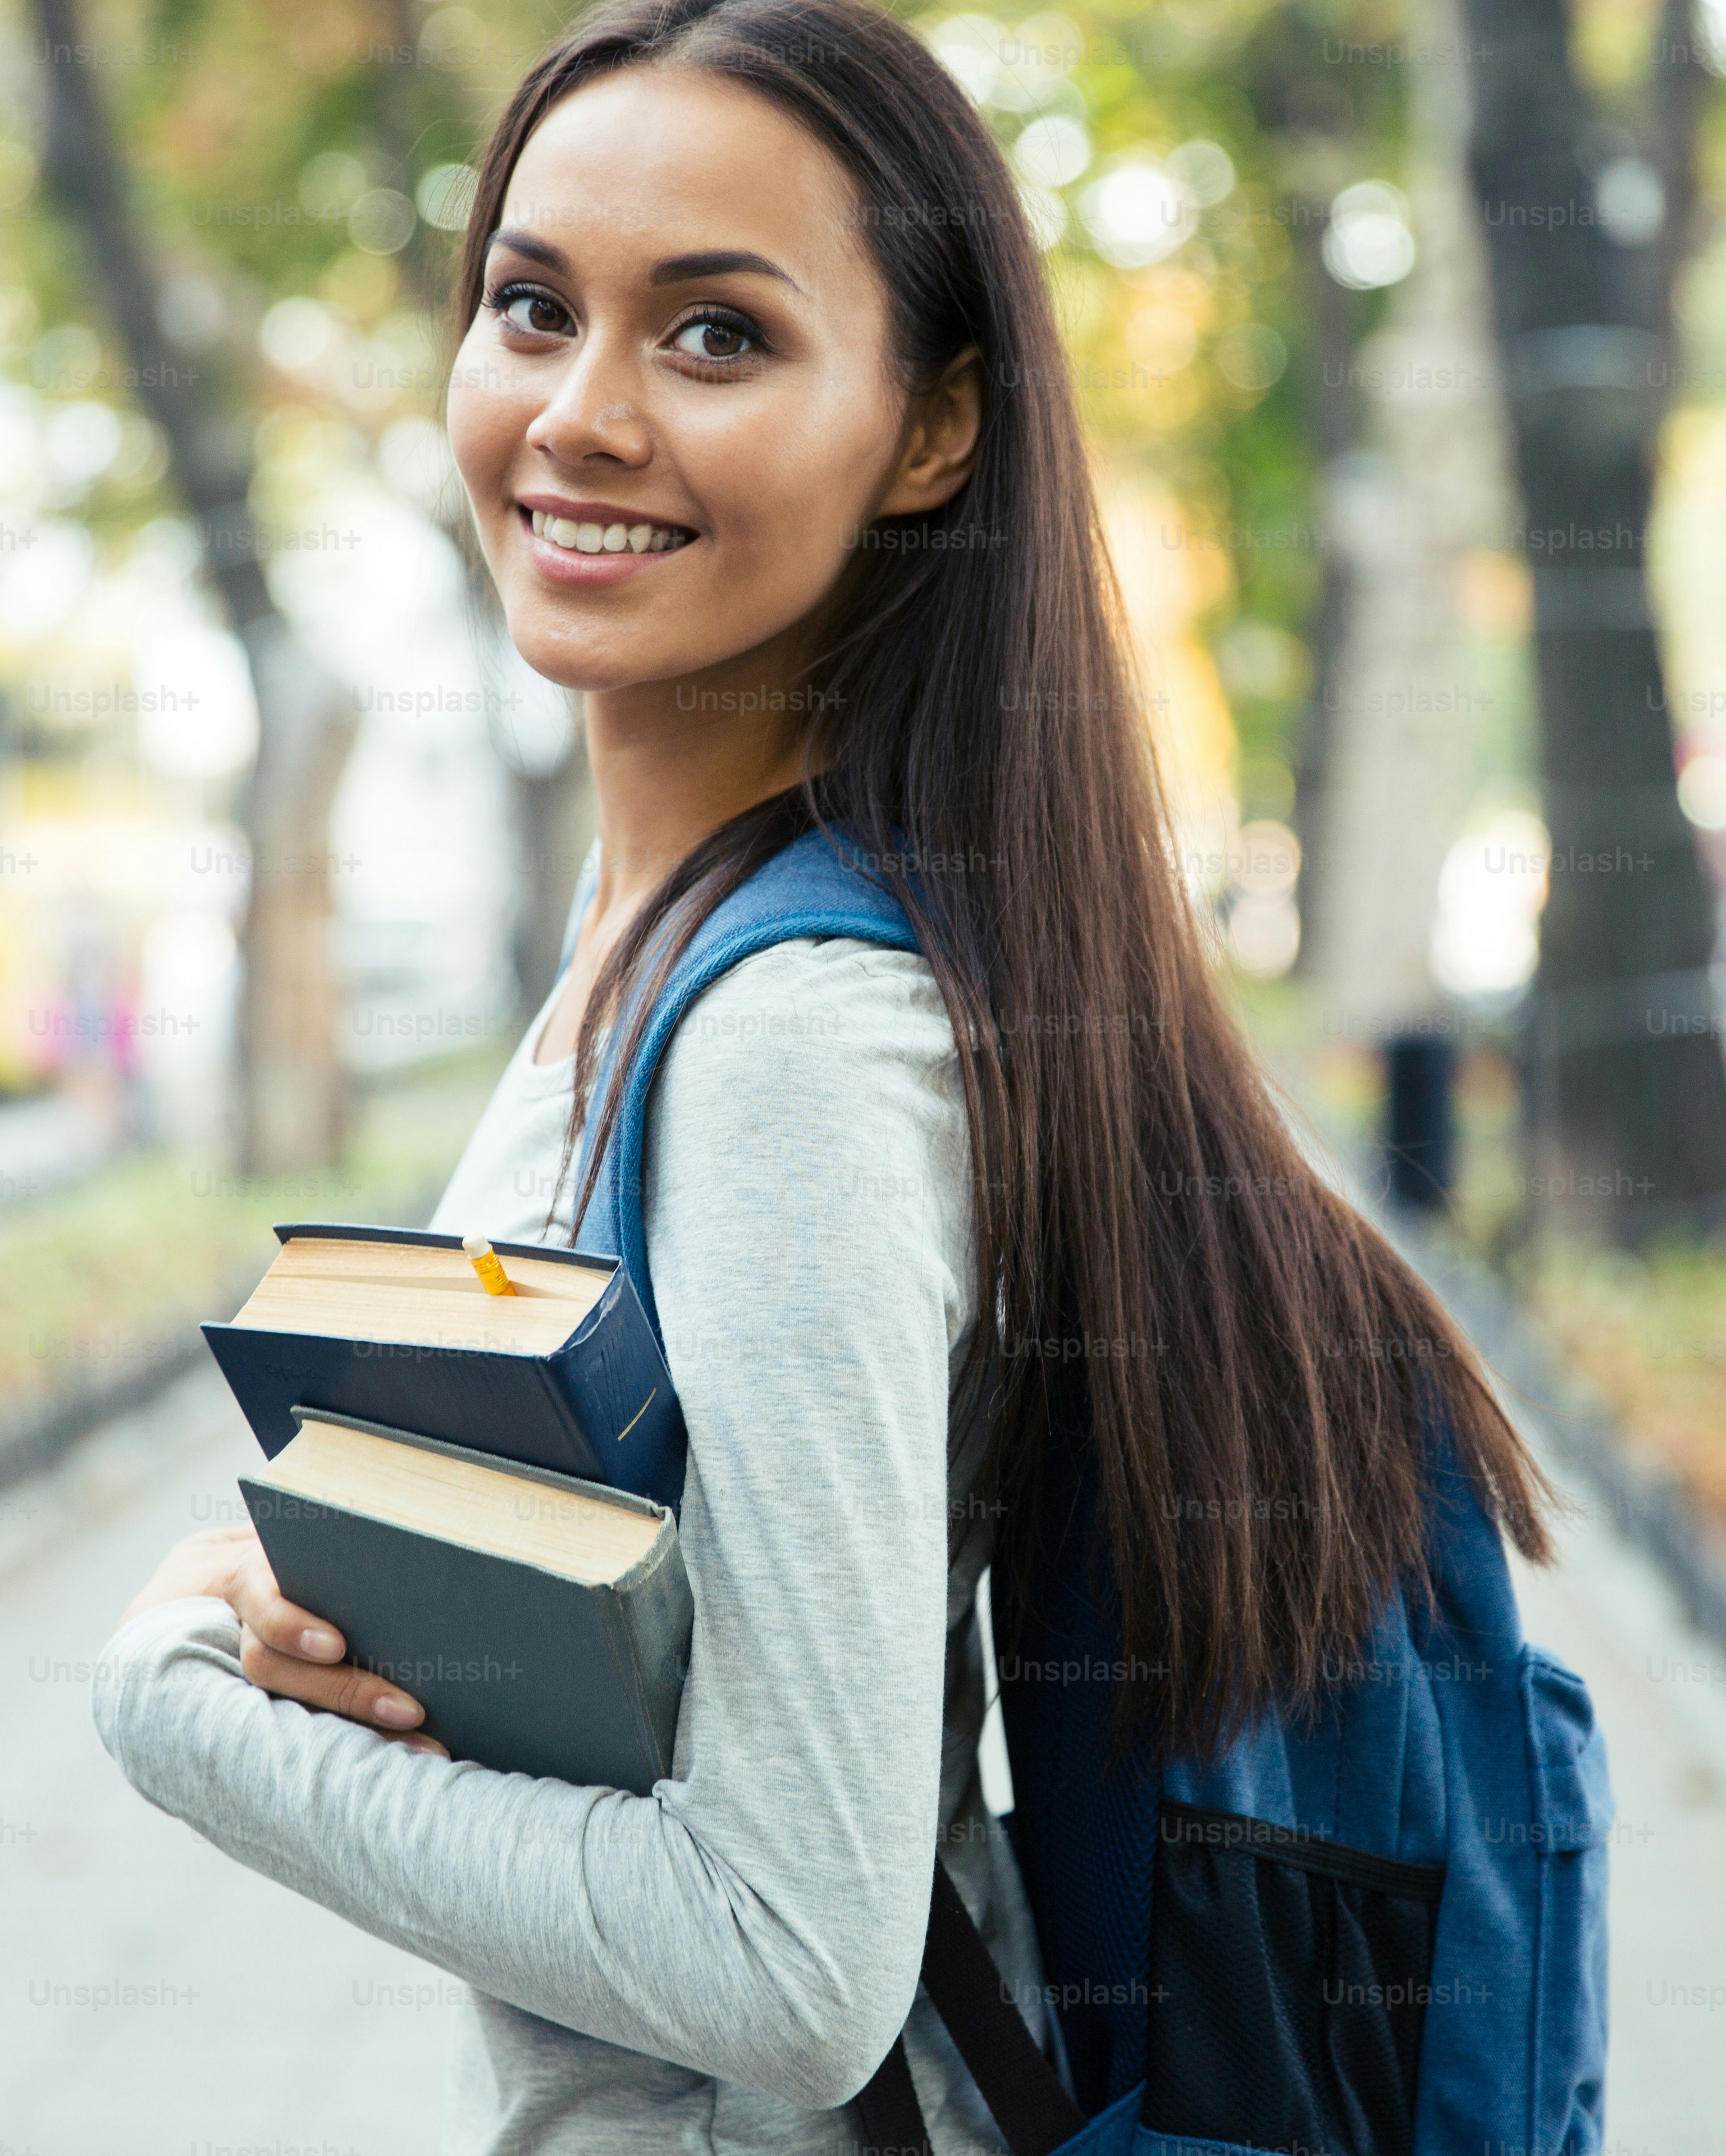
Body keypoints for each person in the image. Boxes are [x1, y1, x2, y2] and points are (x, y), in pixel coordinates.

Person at [92, 4, 1559, 2149]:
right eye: (531, 306)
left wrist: (170, 1698)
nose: (581, 415)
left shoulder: (798, 1037)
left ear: (933, 429)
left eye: (715, 339)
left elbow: (789, 1953)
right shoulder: (676, 936)